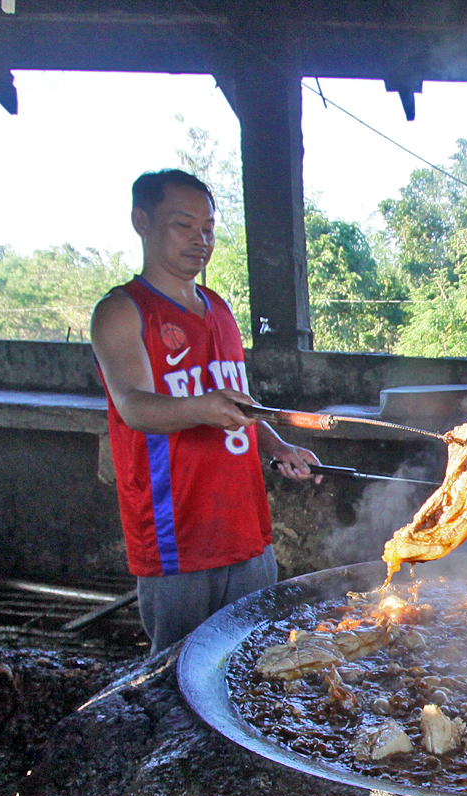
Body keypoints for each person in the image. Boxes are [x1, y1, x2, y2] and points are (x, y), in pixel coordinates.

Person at [90, 168, 319, 652]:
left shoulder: (218, 308)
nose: (201, 240)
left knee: (255, 659)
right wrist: (202, 407)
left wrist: (278, 445)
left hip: (246, 529)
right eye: (183, 225)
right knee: (179, 668)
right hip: (178, 538)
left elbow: (239, 402)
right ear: (142, 221)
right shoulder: (123, 311)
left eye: (209, 229)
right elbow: (133, 406)